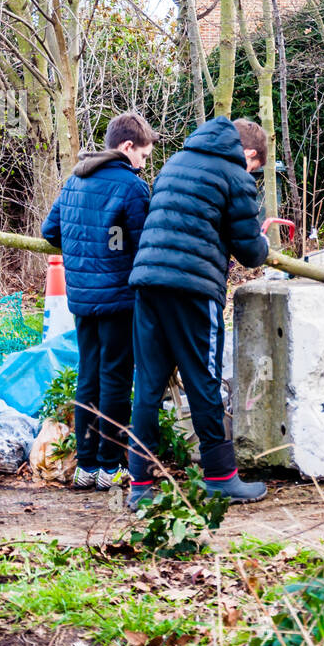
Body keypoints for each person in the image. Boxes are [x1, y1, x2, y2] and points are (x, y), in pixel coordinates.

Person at [125, 116, 270, 508]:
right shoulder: (234, 174)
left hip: (148, 284)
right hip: (193, 290)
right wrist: (264, 238)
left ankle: (140, 486)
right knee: (203, 379)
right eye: (255, 169)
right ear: (250, 155)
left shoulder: (175, 162)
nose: (252, 174)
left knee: (149, 386)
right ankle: (221, 477)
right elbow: (251, 252)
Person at [41, 112, 156, 490]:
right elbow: (144, 246)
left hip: (82, 298)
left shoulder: (76, 180)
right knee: (117, 379)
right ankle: (110, 465)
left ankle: (85, 465)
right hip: (119, 299)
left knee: (88, 375)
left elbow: (50, 230)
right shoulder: (132, 188)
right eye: (143, 155)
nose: (143, 163)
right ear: (127, 148)